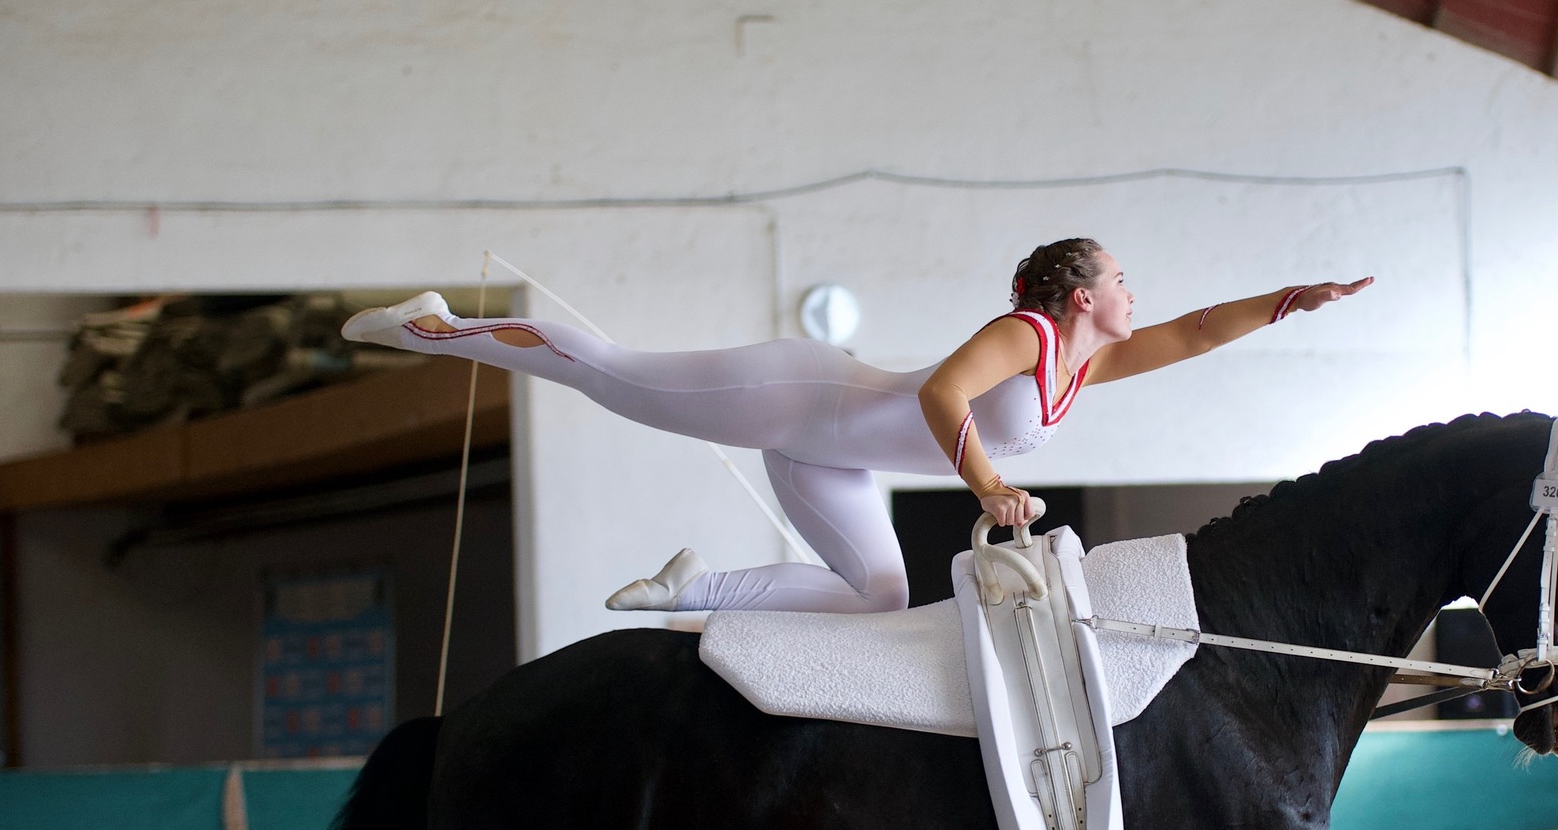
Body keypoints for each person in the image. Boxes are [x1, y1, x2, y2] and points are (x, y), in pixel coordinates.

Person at [343, 240, 1372, 614]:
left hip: (824, 462)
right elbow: (939, 401)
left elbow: (1192, 332)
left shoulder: (1080, 361)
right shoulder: (1020, 333)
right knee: (610, 376)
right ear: (1074, 294)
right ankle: (436, 326)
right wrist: (986, 490)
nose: (1132, 293)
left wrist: (1289, 298)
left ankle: (687, 590)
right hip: (800, 397)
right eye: (1118, 279)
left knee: (875, 594)